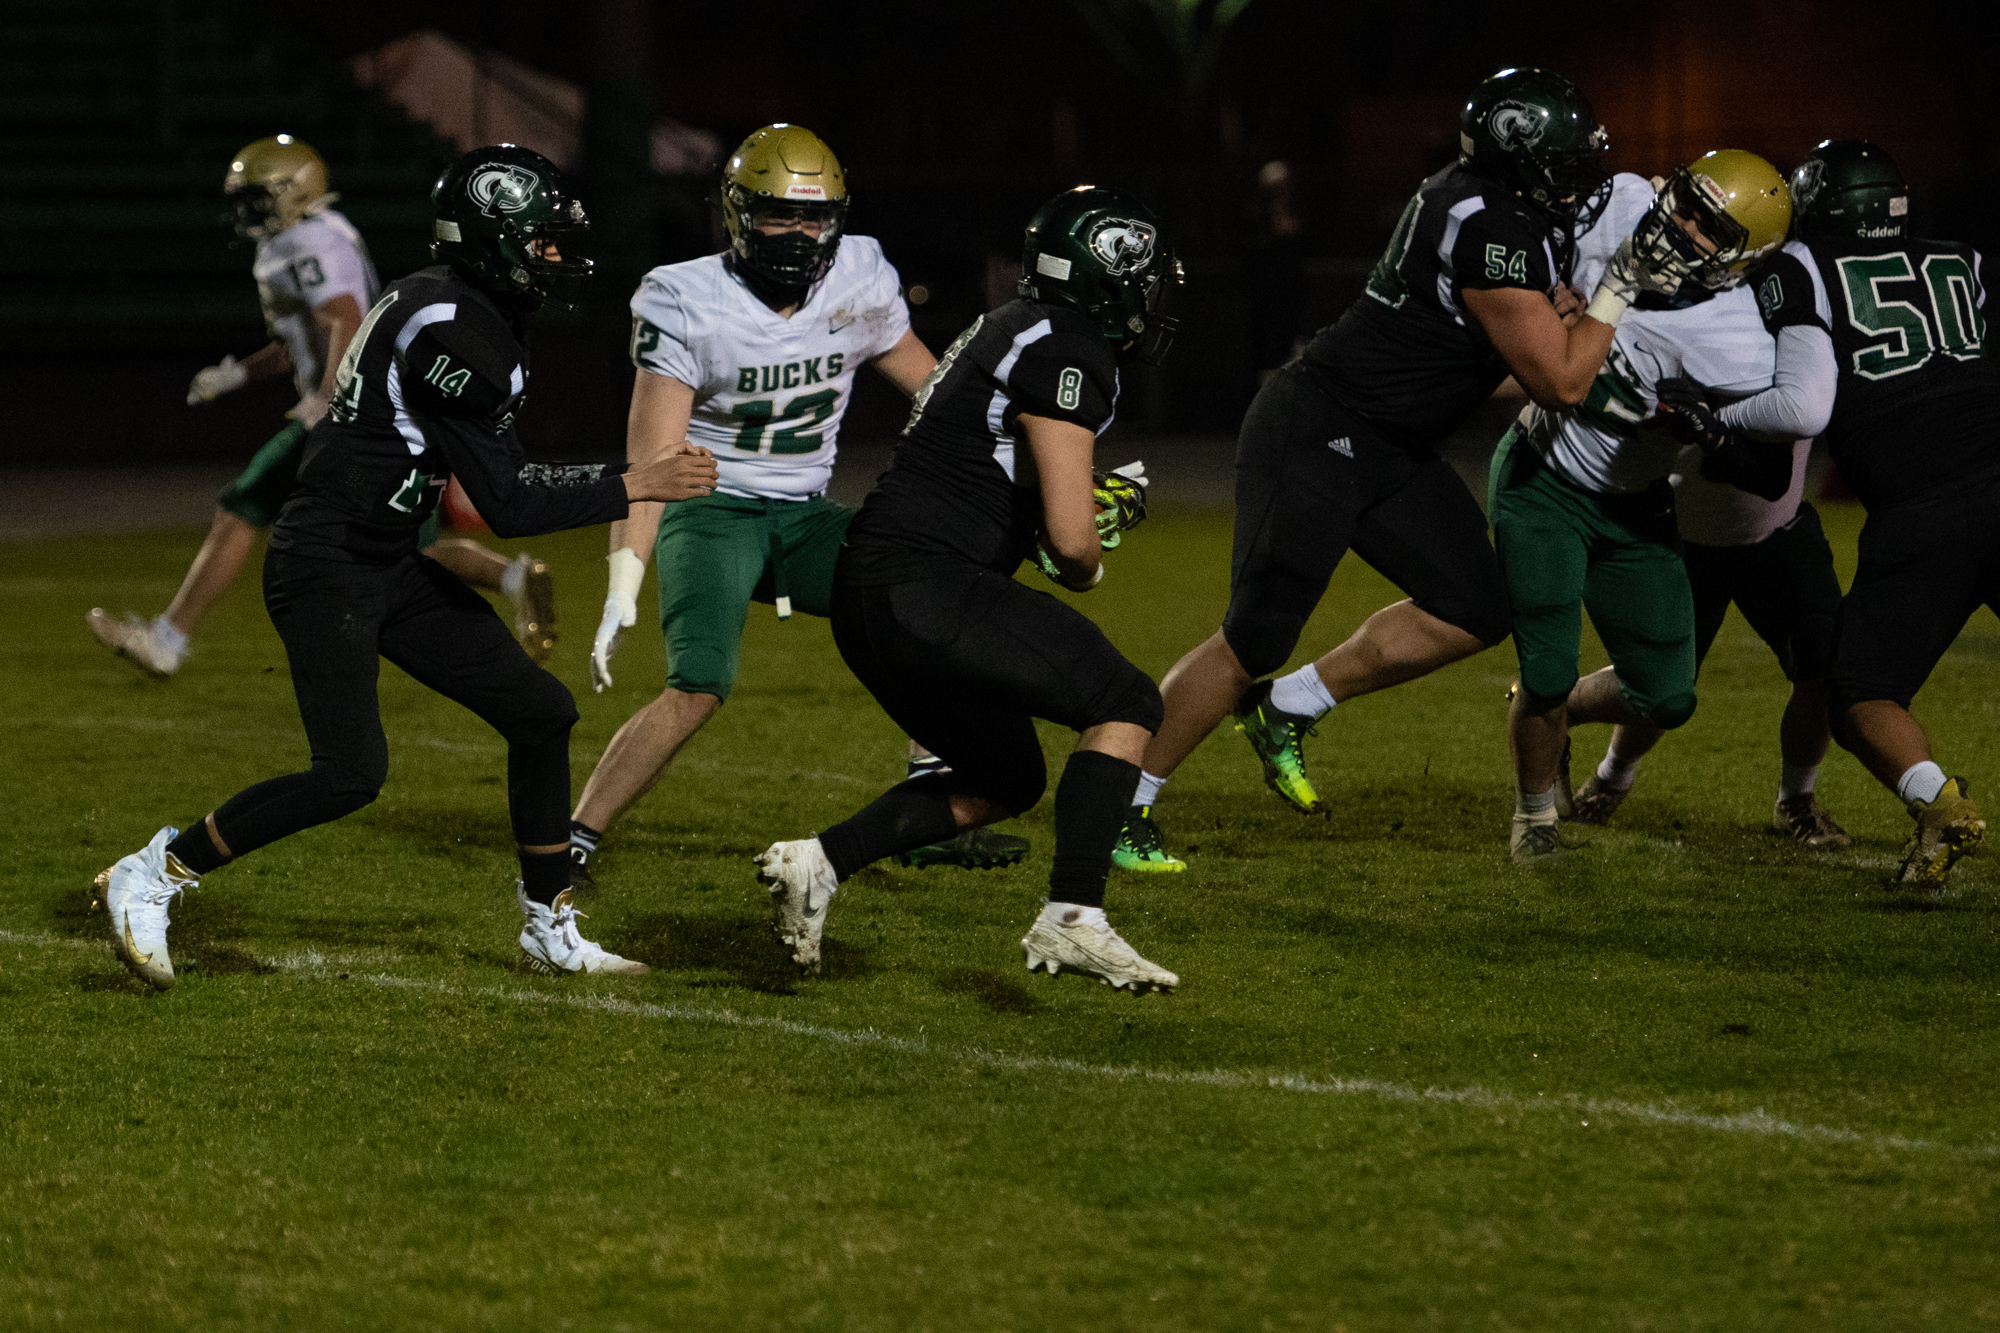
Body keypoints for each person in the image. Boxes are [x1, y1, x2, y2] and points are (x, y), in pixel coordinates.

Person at [92, 147, 721, 990]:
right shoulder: (453, 329)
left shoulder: (463, 306)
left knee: (540, 711)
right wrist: (636, 483)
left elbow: (498, 477)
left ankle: (547, 923)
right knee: (349, 774)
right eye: (540, 242)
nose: (557, 258)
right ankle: (156, 868)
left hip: (385, 556)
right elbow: (509, 502)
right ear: (494, 241)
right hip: (330, 564)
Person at [1115, 67, 1689, 872]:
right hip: (1320, 428)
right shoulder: (1492, 226)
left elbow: (1551, 341)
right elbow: (1558, 378)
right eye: (1563, 163)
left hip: (1389, 441)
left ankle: (1291, 706)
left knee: (1477, 603)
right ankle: (1123, 800)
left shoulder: (1500, 205)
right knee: (1255, 632)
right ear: (1520, 159)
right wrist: (1619, 288)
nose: (1577, 181)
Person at [573, 124, 1029, 889]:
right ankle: (574, 838)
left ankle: (931, 805)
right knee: (698, 687)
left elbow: (934, 391)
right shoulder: (684, 296)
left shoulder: (859, 273)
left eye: (814, 215)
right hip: (710, 508)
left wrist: (1027, 455)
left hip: (807, 516)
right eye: (779, 213)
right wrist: (623, 585)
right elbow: (651, 463)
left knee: (932, 607)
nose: (800, 231)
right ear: (738, 214)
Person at [752, 185, 1182, 990]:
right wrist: (1091, 537)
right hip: (925, 584)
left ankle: (821, 862)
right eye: (1147, 276)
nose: (1152, 296)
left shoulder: (1016, 325)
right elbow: (1071, 547)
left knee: (1006, 777)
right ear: (1108, 272)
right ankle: (1074, 915)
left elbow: (998, 476)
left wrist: (1067, 510)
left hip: (871, 592)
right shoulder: (1069, 344)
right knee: (1126, 701)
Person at [86, 136, 562, 675]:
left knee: (244, 504)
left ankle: (168, 639)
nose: (248, 211)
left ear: (294, 191)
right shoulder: (307, 238)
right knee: (407, 551)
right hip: (385, 409)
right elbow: (299, 339)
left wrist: (328, 399)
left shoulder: (308, 242)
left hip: (358, 409)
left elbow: (344, 317)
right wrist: (238, 372)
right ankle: (512, 577)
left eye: (258, 198)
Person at [1490, 151, 1811, 861]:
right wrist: (1549, 301)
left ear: (1746, 255)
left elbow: (1765, 473)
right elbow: (1519, 246)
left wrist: (1713, 431)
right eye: (1688, 205)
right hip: (1544, 476)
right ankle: (1535, 816)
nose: (1684, 226)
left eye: (1710, 227)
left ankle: (1555, 712)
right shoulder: (1619, 205)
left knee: (1668, 696)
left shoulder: (1740, 343)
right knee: (1546, 664)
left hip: (1635, 507)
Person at [1769, 140, 1997, 889]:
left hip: (1920, 508)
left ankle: (1938, 804)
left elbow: (1796, 388)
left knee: (1862, 691)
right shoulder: (1962, 257)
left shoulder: (1803, 264)